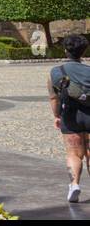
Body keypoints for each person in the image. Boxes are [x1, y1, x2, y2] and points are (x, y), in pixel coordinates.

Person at [48, 34, 90, 203]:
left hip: (71, 115)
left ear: (66, 50)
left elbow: (54, 98)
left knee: (74, 153)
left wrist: (57, 115)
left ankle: (74, 185)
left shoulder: (56, 72)